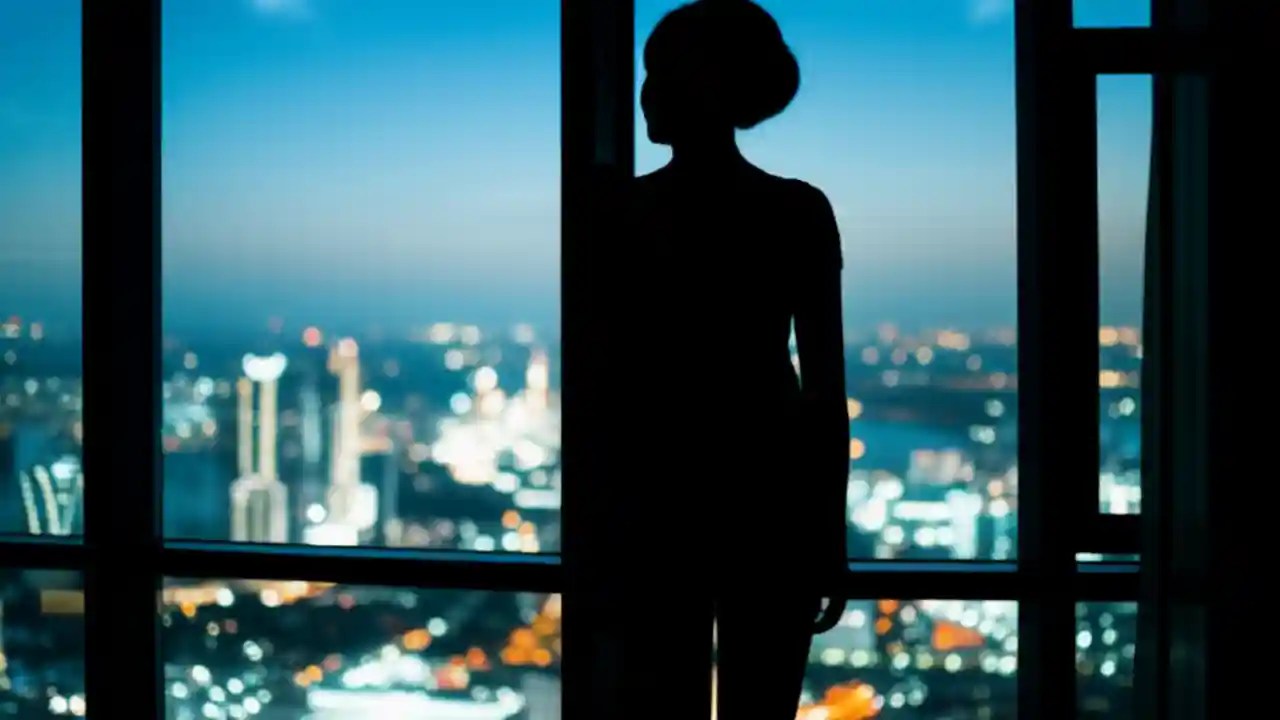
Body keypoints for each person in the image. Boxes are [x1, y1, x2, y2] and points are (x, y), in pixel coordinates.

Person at [609, 1, 850, 717]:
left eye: (659, 73)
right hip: (771, 506)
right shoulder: (798, 212)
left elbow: (607, 394)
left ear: (704, 83)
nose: (645, 93)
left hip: (658, 510)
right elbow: (823, 394)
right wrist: (828, 537)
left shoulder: (622, 215)